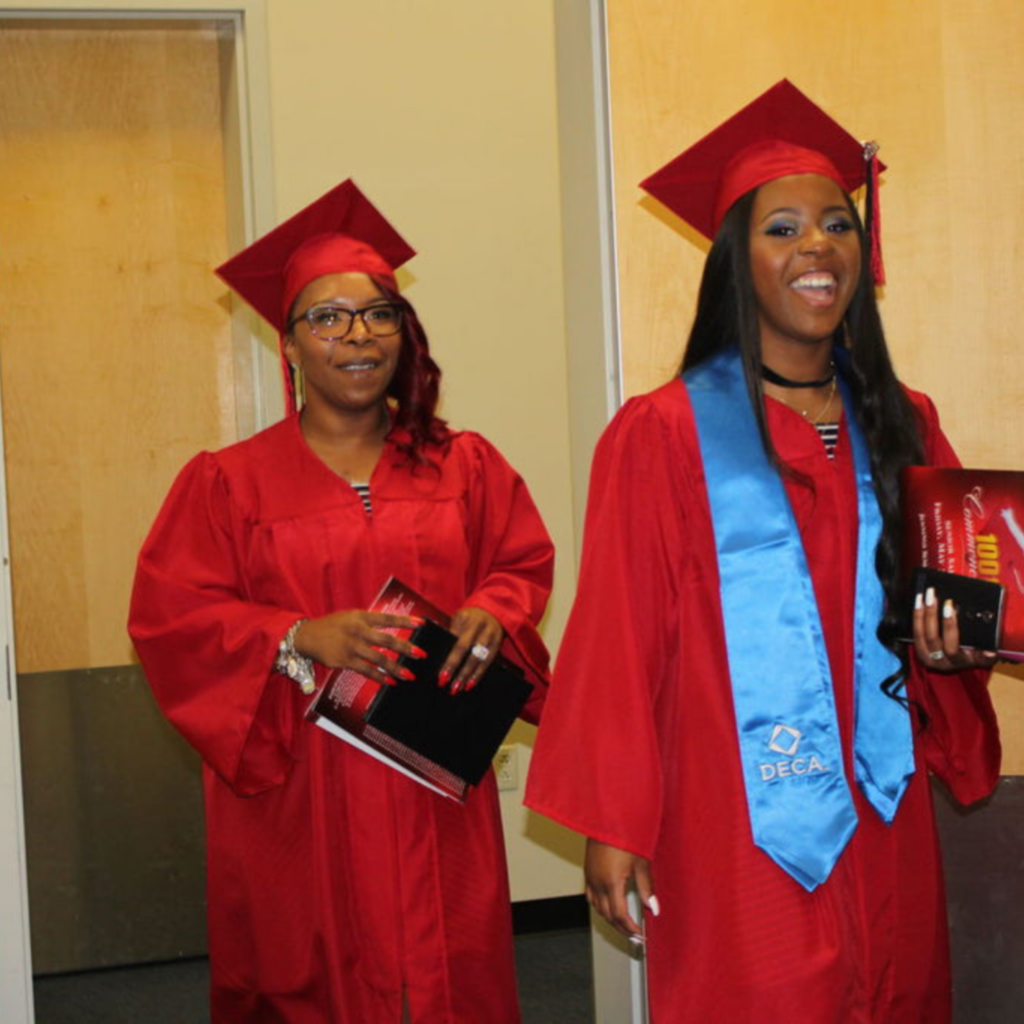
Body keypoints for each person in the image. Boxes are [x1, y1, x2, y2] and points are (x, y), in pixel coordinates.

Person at [524, 81, 1001, 1022]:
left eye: (837, 223)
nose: (817, 246)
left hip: (884, 812)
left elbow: (948, 608)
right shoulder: (662, 433)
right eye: (782, 229)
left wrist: (955, 650)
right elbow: (621, 636)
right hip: (733, 814)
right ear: (737, 260)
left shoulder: (906, 425)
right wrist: (614, 824)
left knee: (900, 989)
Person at [128, 179, 554, 1023]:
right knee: (305, 979)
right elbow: (169, 616)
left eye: (378, 315)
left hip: (432, 780)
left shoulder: (463, 465)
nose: (356, 335)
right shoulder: (225, 482)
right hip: (299, 786)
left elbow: (520, 561)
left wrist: (496, 609)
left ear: (404, 333)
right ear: (286, 345)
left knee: (448, 976)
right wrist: (297, 634)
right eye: (326, 318)